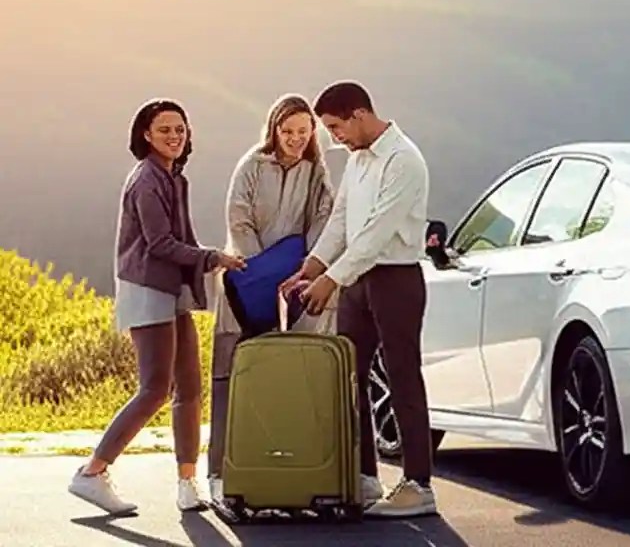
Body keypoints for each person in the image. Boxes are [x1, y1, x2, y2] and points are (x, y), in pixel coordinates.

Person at [69, 99, 246, 516]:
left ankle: (187, 484)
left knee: (189, 386)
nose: (174, 136)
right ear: (146, 134)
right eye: (164, 129)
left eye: (180, 129)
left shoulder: (172, 177)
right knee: (154, 389)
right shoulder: (146, 180)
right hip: (147, 287)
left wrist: (202, 261)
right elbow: (159, 244)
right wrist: (213, 257)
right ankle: (91, 473)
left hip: (172, 287)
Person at [280, 81, 436, 518]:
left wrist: (330, 281)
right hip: (357, 281)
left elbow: (375, 234)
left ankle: (418, 485)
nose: (334, 138)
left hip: (395, 279)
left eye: (335, 127)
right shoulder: (356, 160)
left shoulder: (404, 160)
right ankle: (365, 478)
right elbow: (343, 220)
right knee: (350, 376)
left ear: (359, 115)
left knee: (403, 376)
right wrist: (311, 267)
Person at [205, 94, 337, 503]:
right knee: (232, 374)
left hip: (292, 287)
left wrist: (303, 267)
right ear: (273, 130)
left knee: (284, 375)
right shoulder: (251, 166)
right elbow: (238, 218)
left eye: (303, 131)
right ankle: (219, 471)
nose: (295, 139)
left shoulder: (316, 171)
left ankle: (281, 465)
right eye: (288, 131)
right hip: (245, 283)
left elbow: (323, 218)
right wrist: (260, 268)